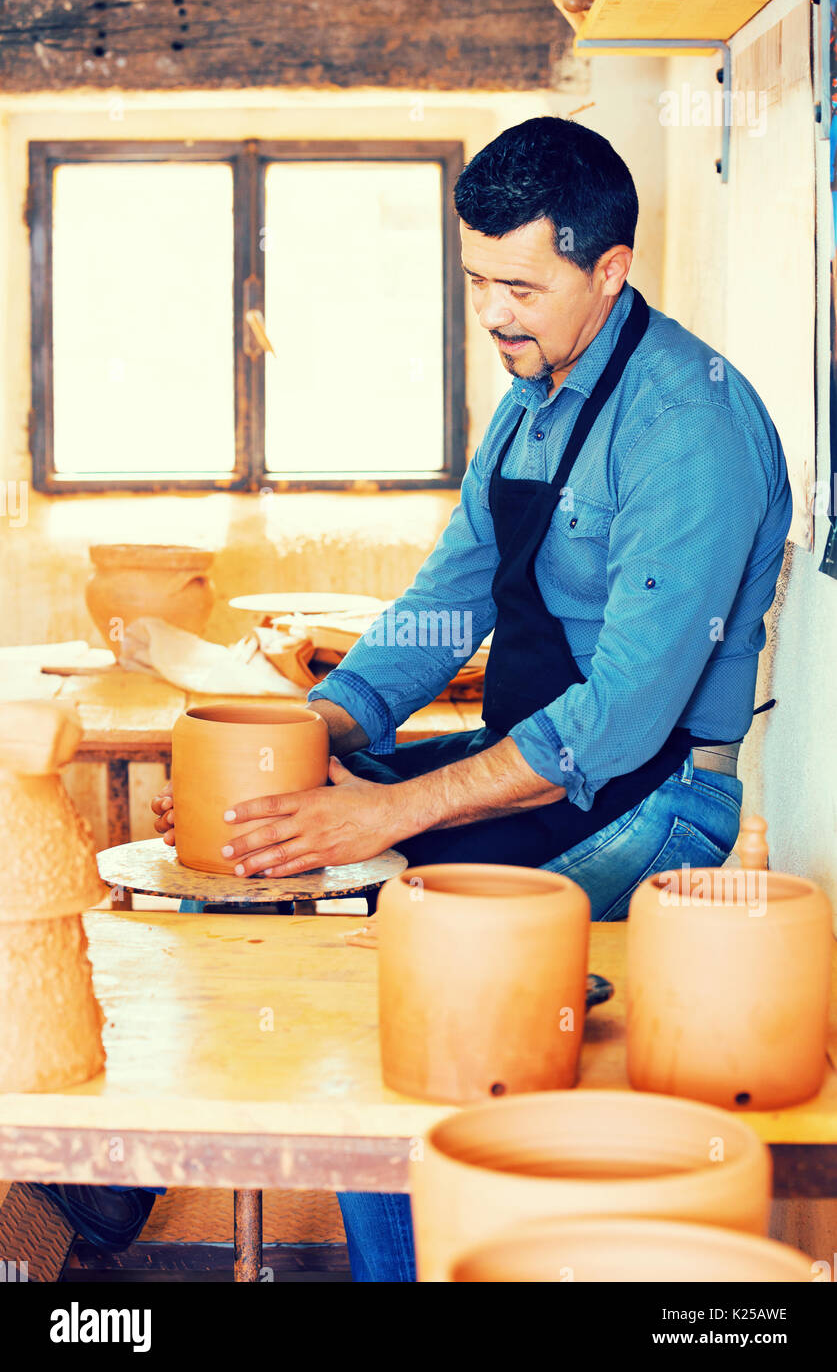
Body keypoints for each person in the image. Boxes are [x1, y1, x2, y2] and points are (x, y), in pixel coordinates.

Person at [152, 116, 791, 1281]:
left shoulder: (688, 426)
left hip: (652, 800)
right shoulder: (529, 395)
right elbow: (446, 607)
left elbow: (622, 719)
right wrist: (306, 739)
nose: (493, 313)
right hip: (531, 762)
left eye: (521, 285)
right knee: (260, 871)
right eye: (475, 280)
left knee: (419, 989)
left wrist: (389, 812)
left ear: (610, 267)